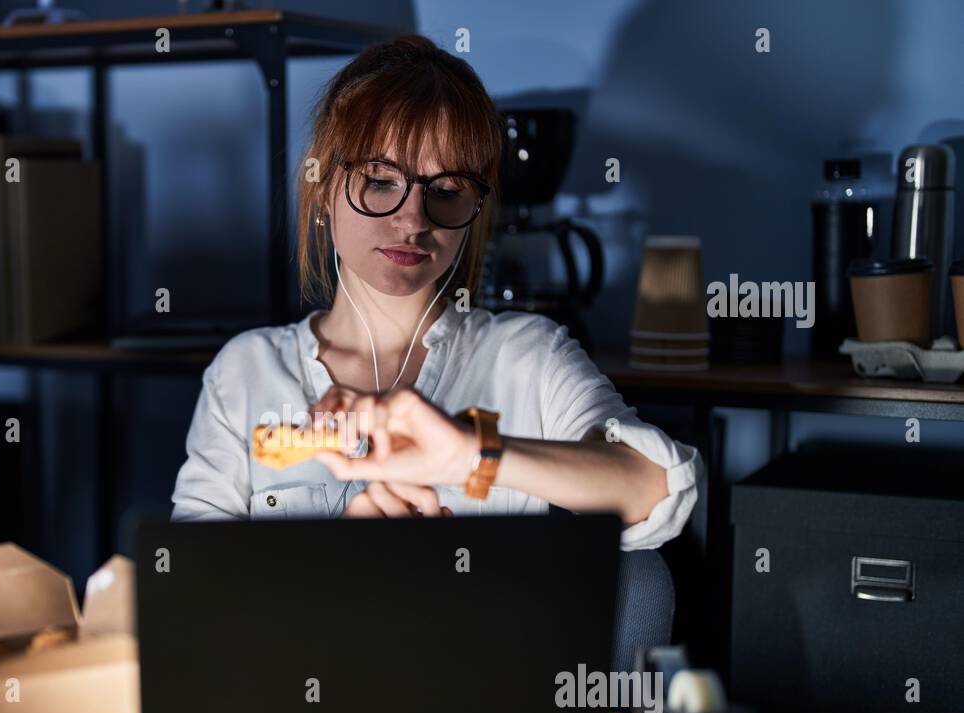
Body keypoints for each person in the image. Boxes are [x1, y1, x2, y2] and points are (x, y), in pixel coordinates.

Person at [171, 34, 700, 551]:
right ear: (323, 189)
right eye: (380, 181)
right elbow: (187, 590)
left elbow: (655, 487)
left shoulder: (529, 356)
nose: (412, 220)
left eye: (446, 191)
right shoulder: (244, 372)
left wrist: (471, 457)